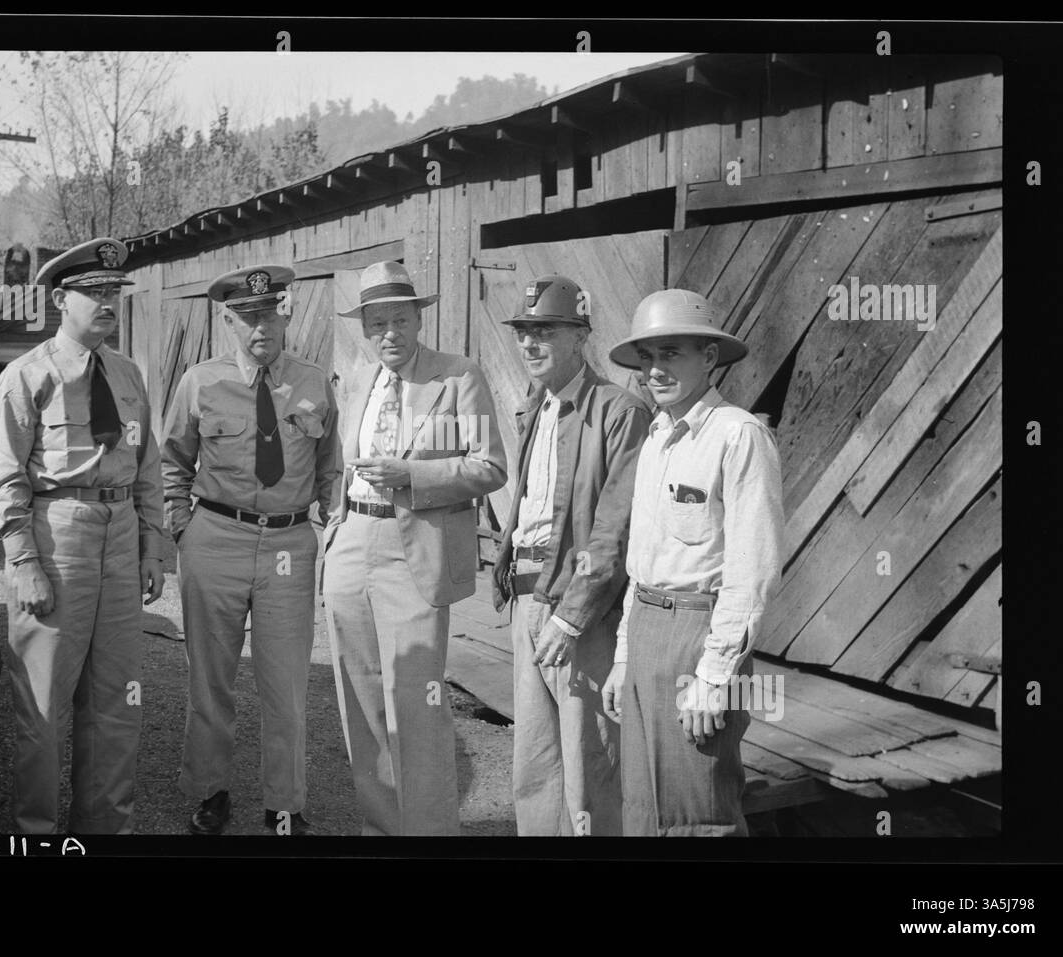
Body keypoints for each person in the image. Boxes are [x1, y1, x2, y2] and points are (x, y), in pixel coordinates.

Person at [0, 237, 166, 834]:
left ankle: (104, 831)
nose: (108, 302)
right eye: (95, 292)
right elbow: (6, 476)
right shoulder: (27, 375)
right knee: (43, 703)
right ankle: (36, 833)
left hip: (119, 534)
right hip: (57, 532)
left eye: (115, 292)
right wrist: (23, 559)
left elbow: (147, 468)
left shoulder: (128, 374)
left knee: (117, 701)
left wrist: (151, 546)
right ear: (61, 299)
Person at [322, 260, 507, 835]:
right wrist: (334, 525)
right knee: (361, 697)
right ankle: (380, 829)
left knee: (418, 704)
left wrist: (411, 475)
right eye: (376, 323)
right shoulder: (356, 378)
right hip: (353, 540)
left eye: (398, 320)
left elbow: (491, 466)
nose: (389, 334)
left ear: (418, 318)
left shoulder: (457, 377)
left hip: (415, 546)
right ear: (365, 328)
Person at [161, 264, 340, 836]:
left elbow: (331, 469)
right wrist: (182, 529)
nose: (259, 326)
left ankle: (284, 803)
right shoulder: (199, 382)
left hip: (289, 542)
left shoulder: (314, 382)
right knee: (211, 678)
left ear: (283, 314)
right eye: (246, 317)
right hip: (216, 537)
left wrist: (333, 532)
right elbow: (171, 463)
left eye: (268, 313)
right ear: (228, 320)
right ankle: (210, 793)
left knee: (286, 682)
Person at [600, 289, 782, 836]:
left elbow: (752, 572)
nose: (656, 370)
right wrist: (623, 656)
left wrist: (715, 676)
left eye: (672, 353)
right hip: (648, 627)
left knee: (697, 813)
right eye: (648, 357)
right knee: (642, 808)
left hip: (699, 635)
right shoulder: (656, 436)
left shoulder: (738, 435)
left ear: (709, 357)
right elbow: (643, 565)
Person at [490, 274, 650, 836]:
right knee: (534, 765)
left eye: (546, 331)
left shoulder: (620, 410)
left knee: (590, 766)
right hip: (528, 599)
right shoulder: (537, 407)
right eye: (523, 332)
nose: (530, 344)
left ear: (580, 336)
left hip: (577, 614)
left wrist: (572, 615)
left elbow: (615, 529)